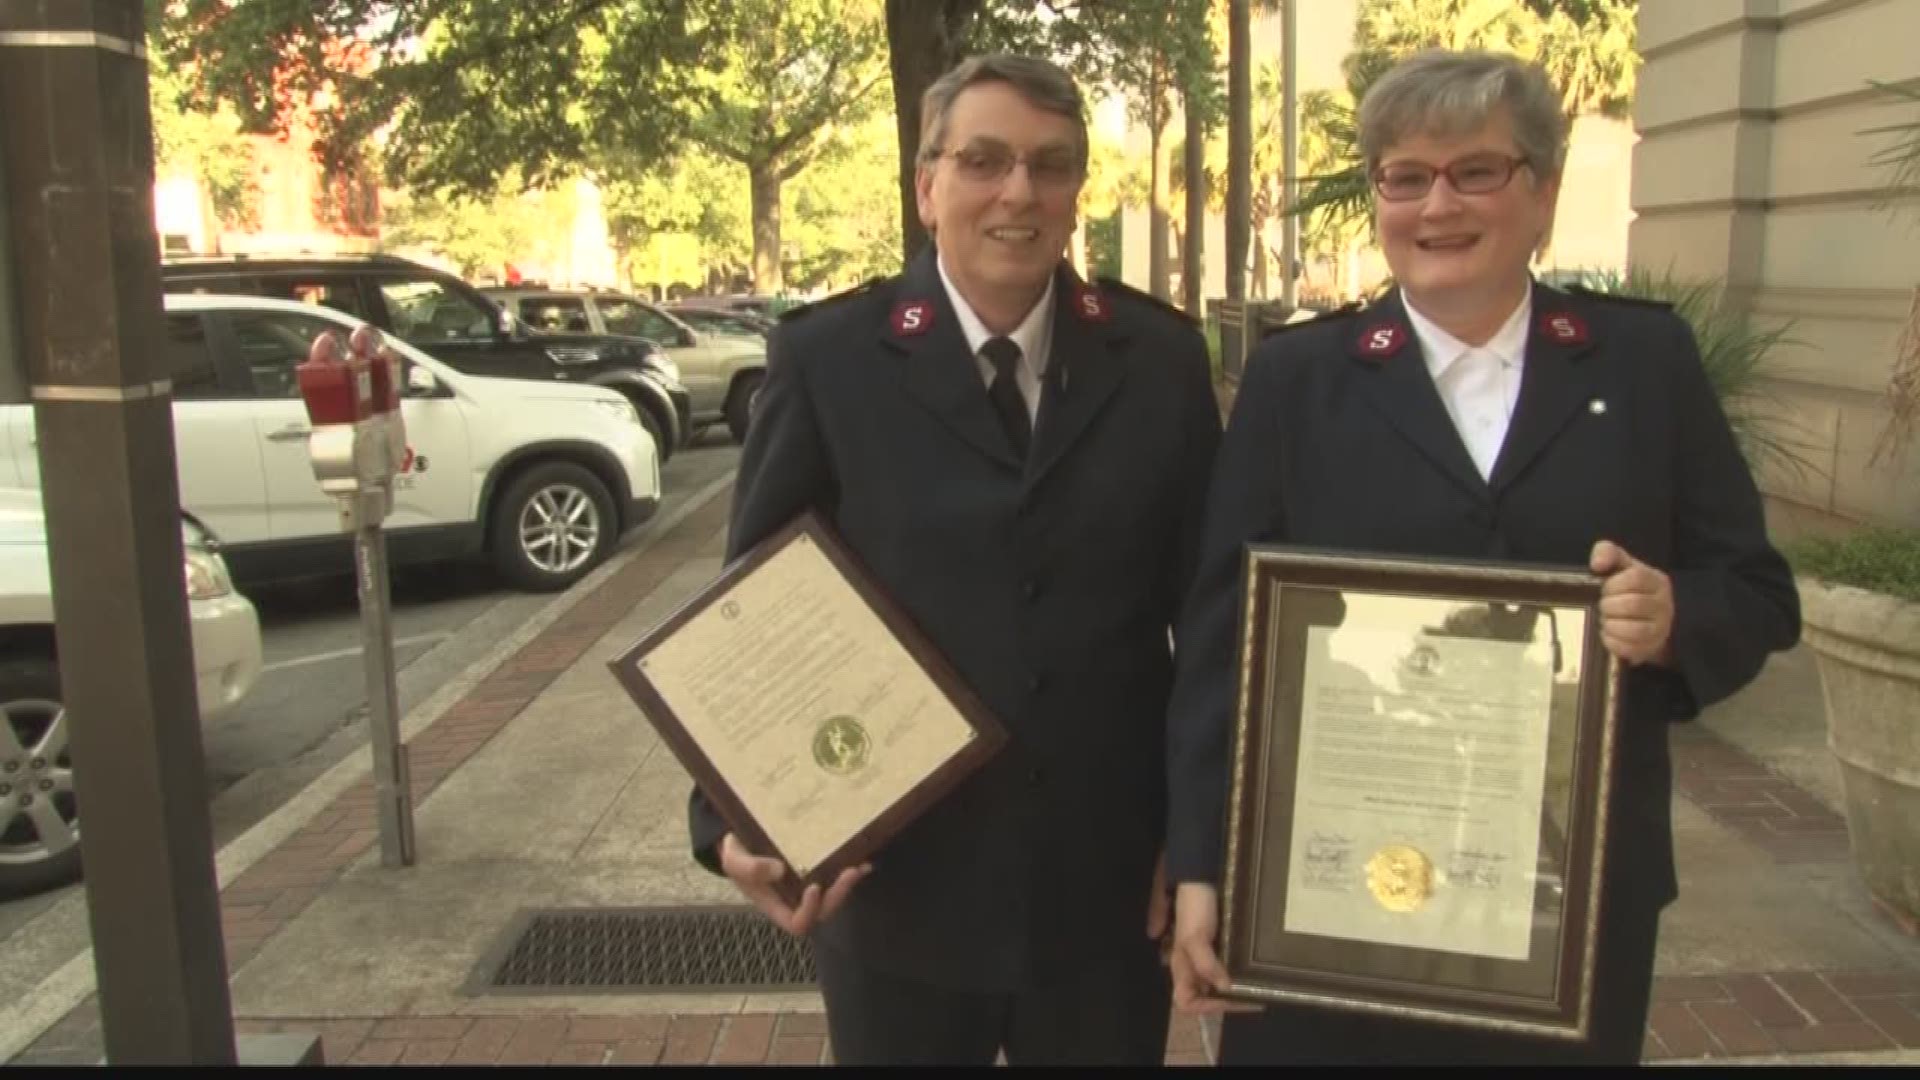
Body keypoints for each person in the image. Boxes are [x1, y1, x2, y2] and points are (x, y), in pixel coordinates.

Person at [1162, 48, 1801, 1065]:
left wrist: (1676, 616)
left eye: (1476, 171)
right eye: (1404, 176)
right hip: (1327, 892)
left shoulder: (1642, 366)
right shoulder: (1299, 381)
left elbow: (1759, 592)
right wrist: (1202, 862)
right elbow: (1219, 637)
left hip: (1567, 906)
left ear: (1540, 192)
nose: (1436, 204)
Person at [686, 53, 1223, 1066]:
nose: (1018, 192)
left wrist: (1198, 838)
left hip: (1105, 896)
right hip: (901, 891)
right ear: (927, 186)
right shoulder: (830, 360)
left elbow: (1210, 621)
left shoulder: (1159, 362)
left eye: (1050, 166)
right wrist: (728, 819)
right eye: (984, 161)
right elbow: (750, 612)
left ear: (1075, 195)